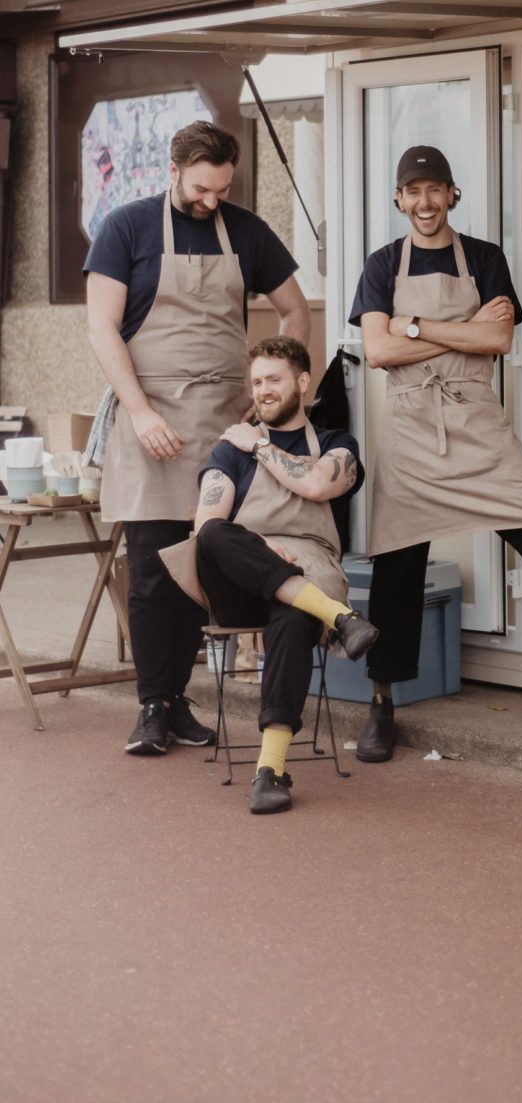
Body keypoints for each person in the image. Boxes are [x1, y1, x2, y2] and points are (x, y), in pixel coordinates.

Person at [349, 144, 522, 765]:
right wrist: (454, 333)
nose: (424, 202)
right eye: (412, 192)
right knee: (396, 563)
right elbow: (378, 354)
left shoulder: (487, 258)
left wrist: (412, 326)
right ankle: (382, 700)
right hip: (412, 429)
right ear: (398, 199)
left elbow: (497, 337)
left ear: (452, 195)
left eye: (434, 190)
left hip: (476, 422)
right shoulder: (382, 263)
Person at [85, 120, 310, 757]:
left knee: (208, 564)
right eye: (202, 188)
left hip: (226, 423)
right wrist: (139, 413)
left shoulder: (245, 230)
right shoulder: (125, 227)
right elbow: (102, 330)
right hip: (151, 418)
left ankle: (181, 701)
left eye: (223, 189)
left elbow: (296, 310)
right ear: (174, 170)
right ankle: (154, 706)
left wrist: (272, 395)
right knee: (156, 570)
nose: (213, 200)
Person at [191, 336, 375, 815]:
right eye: (256, 382)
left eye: (273, 379)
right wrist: (258, 545)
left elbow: (317, 484)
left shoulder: (337, 444)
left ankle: (269, 771)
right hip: (239, 581)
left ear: (302, 382)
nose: (263, 391)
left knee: (292, 619)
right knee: (215, 536)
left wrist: (261, 446)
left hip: (309, 569)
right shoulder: (229, 451)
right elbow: (206, 524)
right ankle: (339, 617)